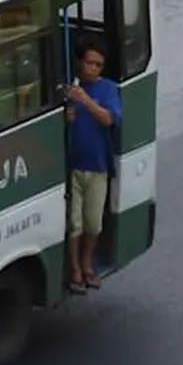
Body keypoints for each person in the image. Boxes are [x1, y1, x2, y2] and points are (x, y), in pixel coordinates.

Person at [61, 44, 120, 294]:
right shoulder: (70, 89)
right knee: (74, 224)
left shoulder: (107, 89)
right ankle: (75, 269)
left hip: (97, 168)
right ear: (80, 63)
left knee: (93, 224)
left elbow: (109, 119)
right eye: (89, 63)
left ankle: (87, 263)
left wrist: (85, 101)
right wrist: (67, 116)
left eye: (98, 65)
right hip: (73, 167)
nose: (93, 68)